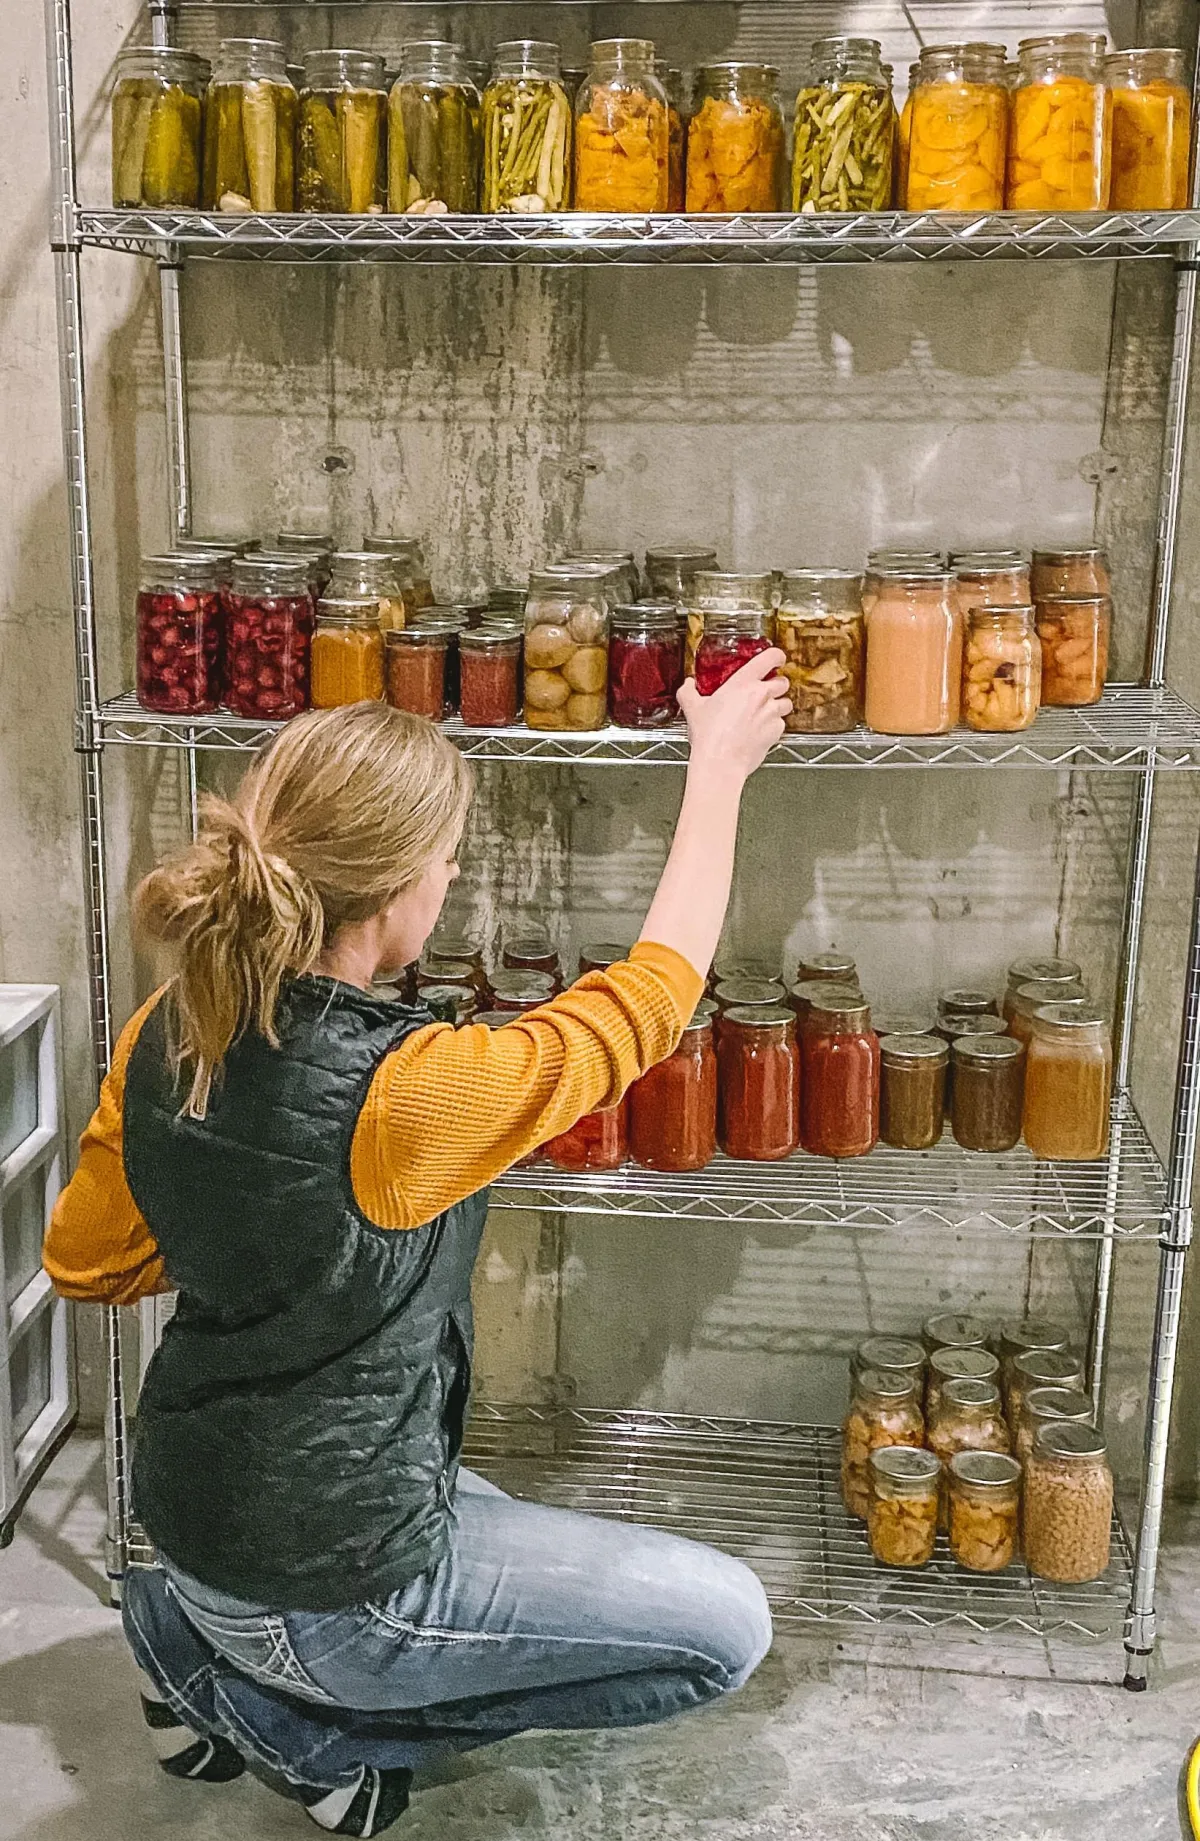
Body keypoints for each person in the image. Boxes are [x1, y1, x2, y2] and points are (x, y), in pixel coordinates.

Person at [44, 650, 790, 1837]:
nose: (452, 879)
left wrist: (264, 1225)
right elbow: (648, 1002)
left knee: (448, 1495)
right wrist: (719, 768)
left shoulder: (169, 1023)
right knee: (722, 1631)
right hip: (325, 1592)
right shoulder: (410, 1098)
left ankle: (177, 1622)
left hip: (189, 1512)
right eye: (448, 862)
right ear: (396, 898)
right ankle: (292, 1722)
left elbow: (88, 1261)